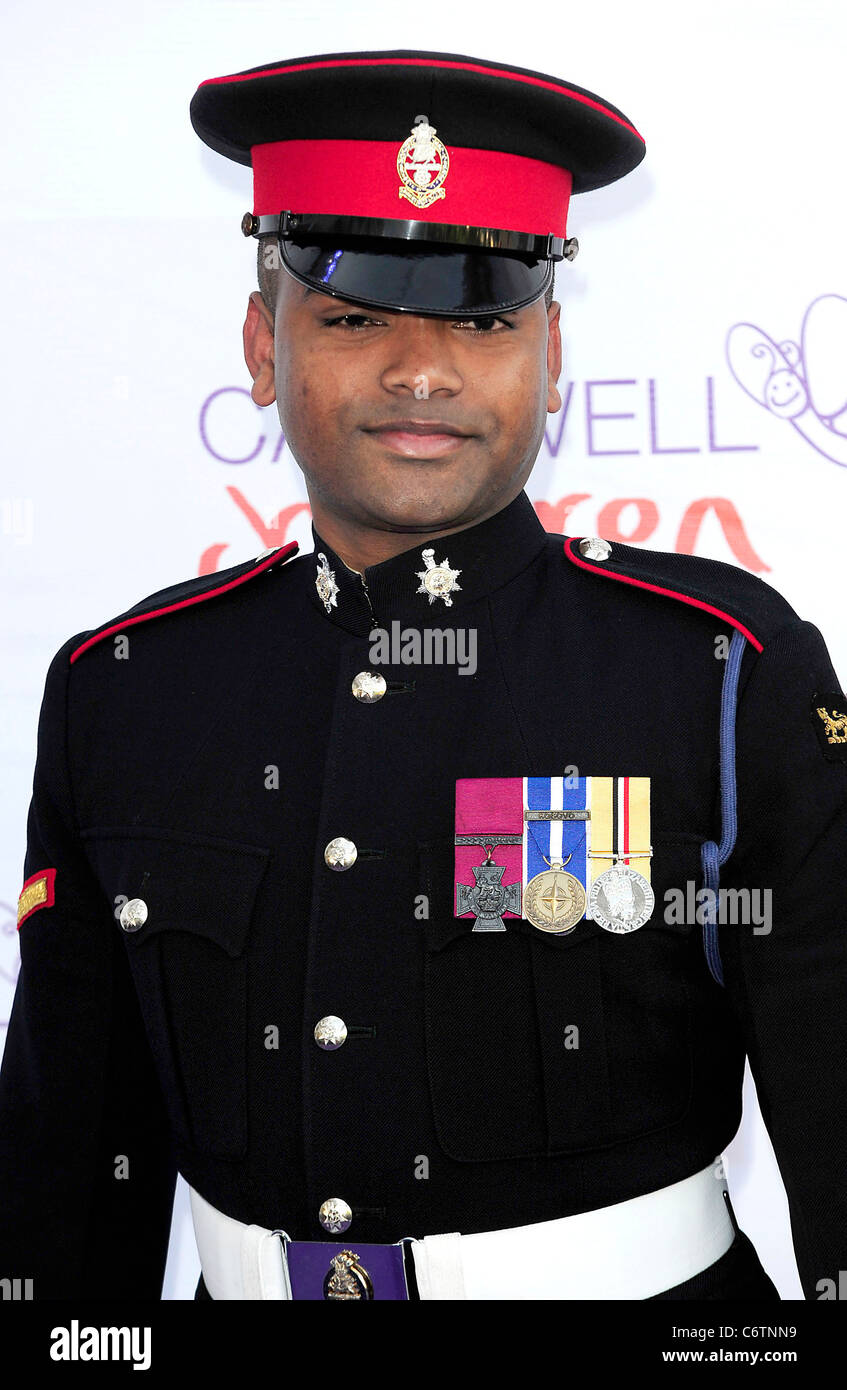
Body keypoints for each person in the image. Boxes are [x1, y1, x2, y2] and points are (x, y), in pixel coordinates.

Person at [1, 47, 845, 1302]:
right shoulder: (127, 688)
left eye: (482, 319)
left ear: (550, 350)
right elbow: (72, 1166)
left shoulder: (718, 668)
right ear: (261, 341)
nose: (421, 372)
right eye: (352, 317)